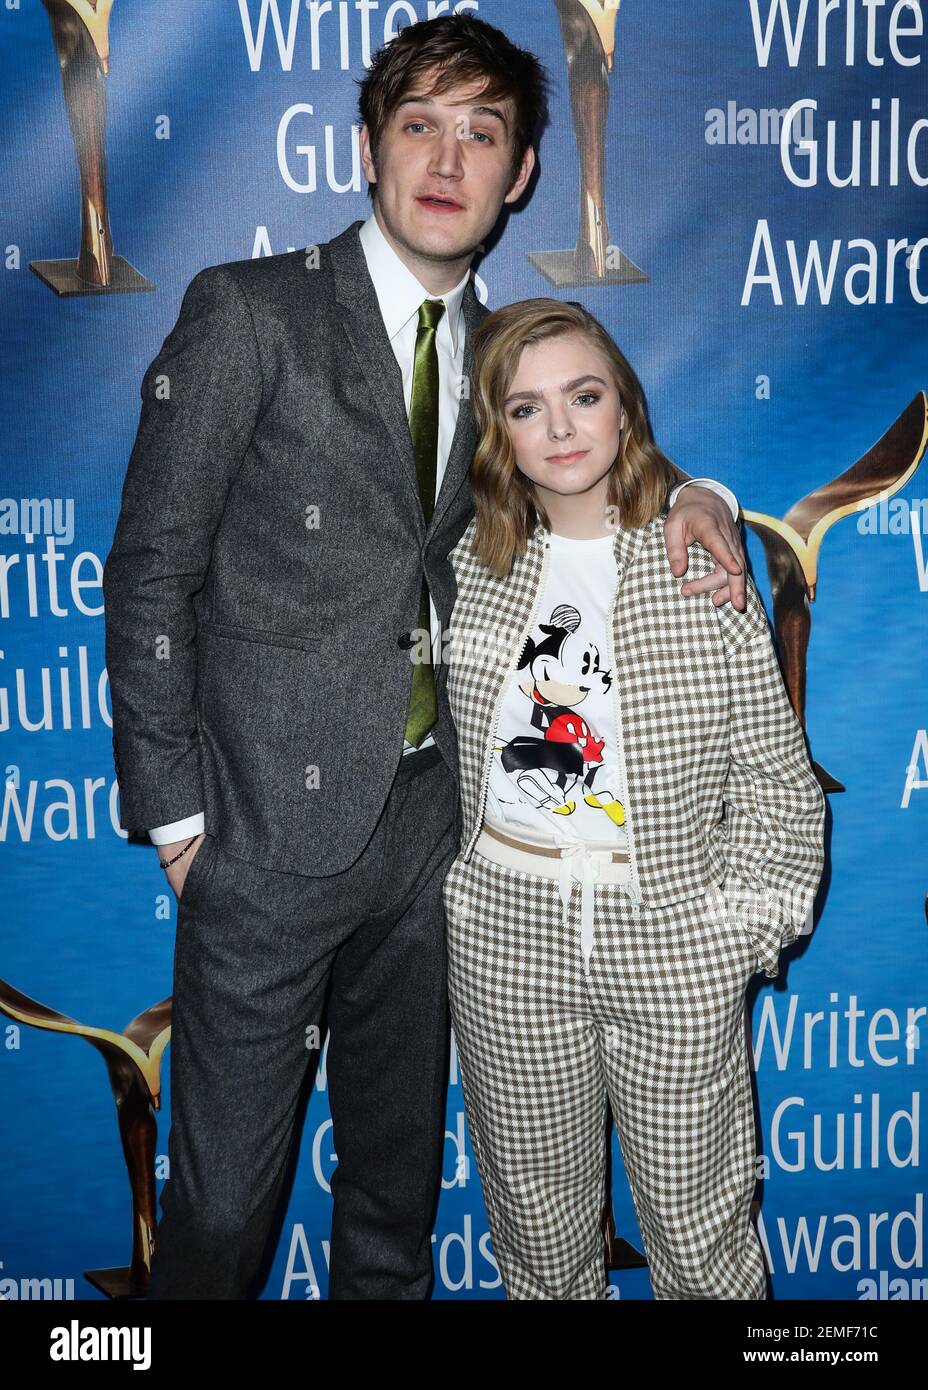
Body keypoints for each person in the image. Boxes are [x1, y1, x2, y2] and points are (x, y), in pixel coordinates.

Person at [102, 14, 748, 1300]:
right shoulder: (250, 312)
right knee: (222, 1221)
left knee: (393, 1200)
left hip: (432, 836)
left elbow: (600, 449)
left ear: (518, 178)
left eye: (482, 132)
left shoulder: (504, 348)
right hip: (260, 839)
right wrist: (176, 817)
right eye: (419, 126)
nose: (448, 160)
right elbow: (150, 568)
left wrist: (701, 496)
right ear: (367, 149)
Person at [441, 297, 826, 1301]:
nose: (560, 427)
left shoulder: (696, 562)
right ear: (499, 434)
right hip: (506, 946)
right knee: (539, 1262)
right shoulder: (466, 570)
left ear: (624, 411)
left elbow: (780, 785)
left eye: (583, 395)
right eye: (526, 408)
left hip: (670, 942)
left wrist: (732, 933)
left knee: (704, 1256)